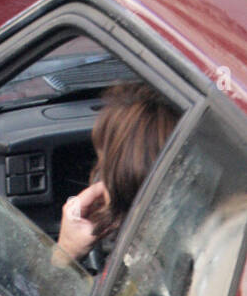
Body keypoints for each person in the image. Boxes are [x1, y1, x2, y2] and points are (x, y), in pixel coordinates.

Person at [56, 80, 181, 266]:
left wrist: (65, 252)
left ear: (121, 178)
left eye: (103, 164)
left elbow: (47, 295)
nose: (98, 177)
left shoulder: (144, 266)